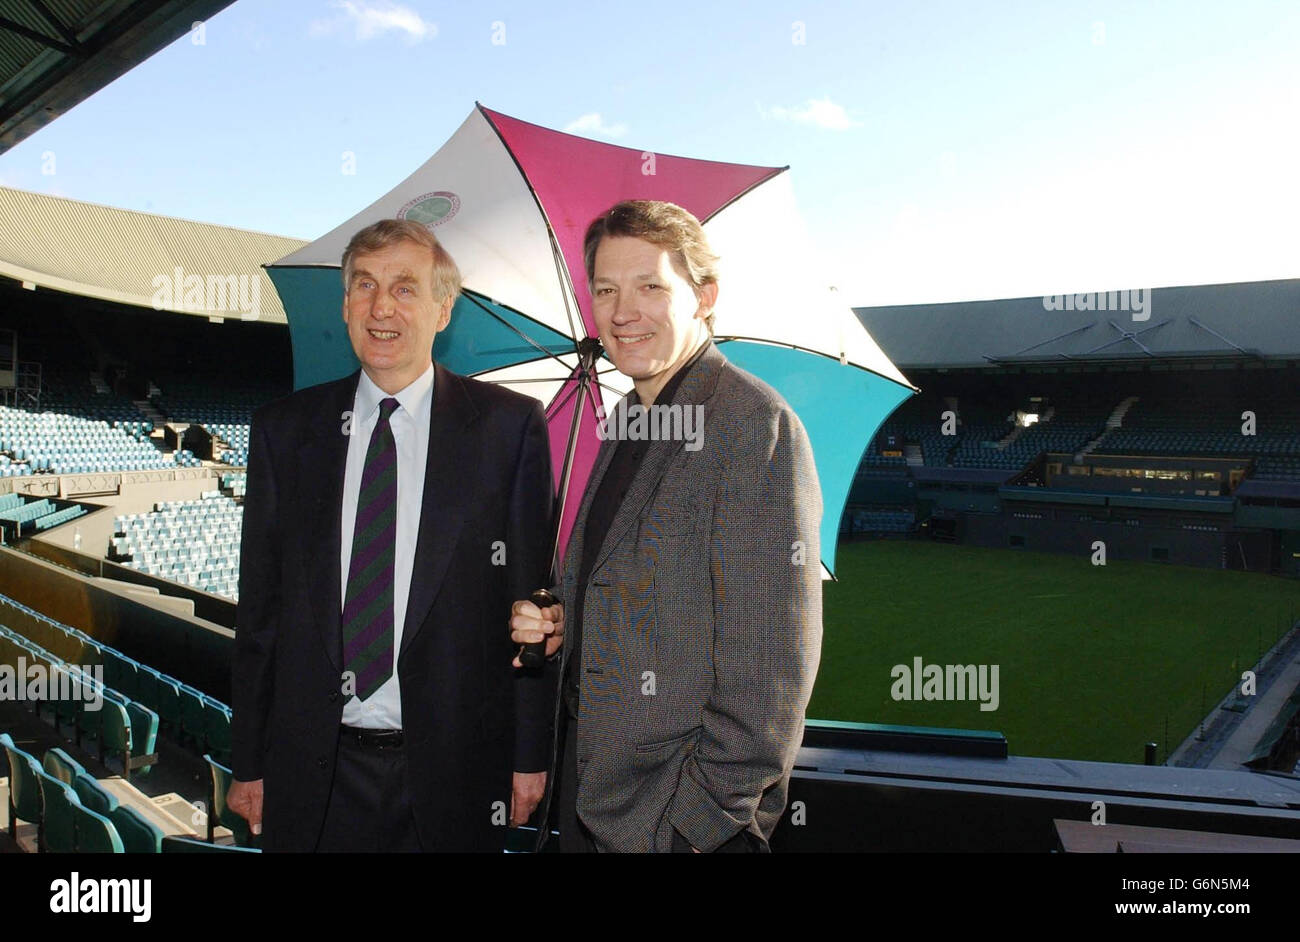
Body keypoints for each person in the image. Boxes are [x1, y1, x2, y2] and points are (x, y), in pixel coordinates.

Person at [229, 219, 554, 851]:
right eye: (365, 285)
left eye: (406, 288)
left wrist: (529, 752)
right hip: (312, 774)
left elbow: (532, 606)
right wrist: (249, 759)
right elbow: (259, 612)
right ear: (346, 302)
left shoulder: (508, 429)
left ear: (442, 309)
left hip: (457, 773)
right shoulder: (283, 431)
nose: (382, 307)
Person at [510, 200, 822, 852]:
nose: (624, 311)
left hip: (680, 824)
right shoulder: (628, 416)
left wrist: (697, 824)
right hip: (594, 804)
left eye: (650, 286)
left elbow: (771, 672)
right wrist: (567, 619)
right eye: (606, 289)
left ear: (704, 296)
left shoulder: (751, 424)